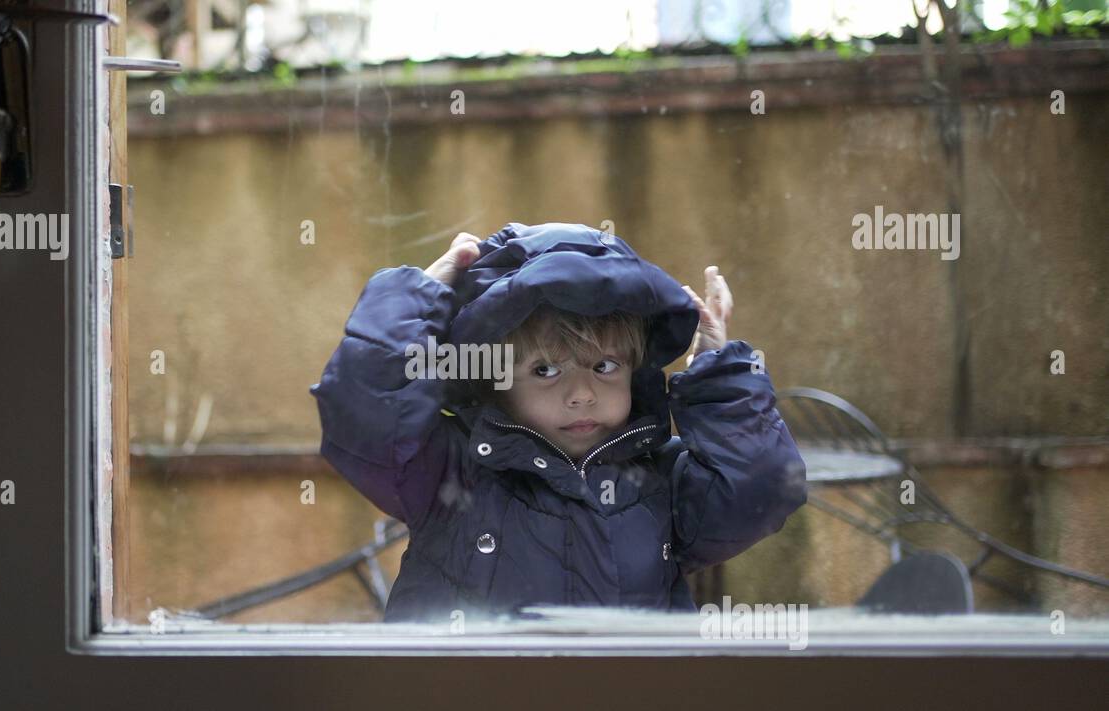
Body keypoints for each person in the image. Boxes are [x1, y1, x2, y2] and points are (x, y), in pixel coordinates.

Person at [309, 222, 808, 623]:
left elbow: (758, 491)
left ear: (633, 374)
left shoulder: (662, 480)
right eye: (545, 370)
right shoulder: (450, 474)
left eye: (604, 366)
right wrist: (413, 301)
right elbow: (365, 422)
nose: (582, 393)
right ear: (494, 382)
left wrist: (718, 372)